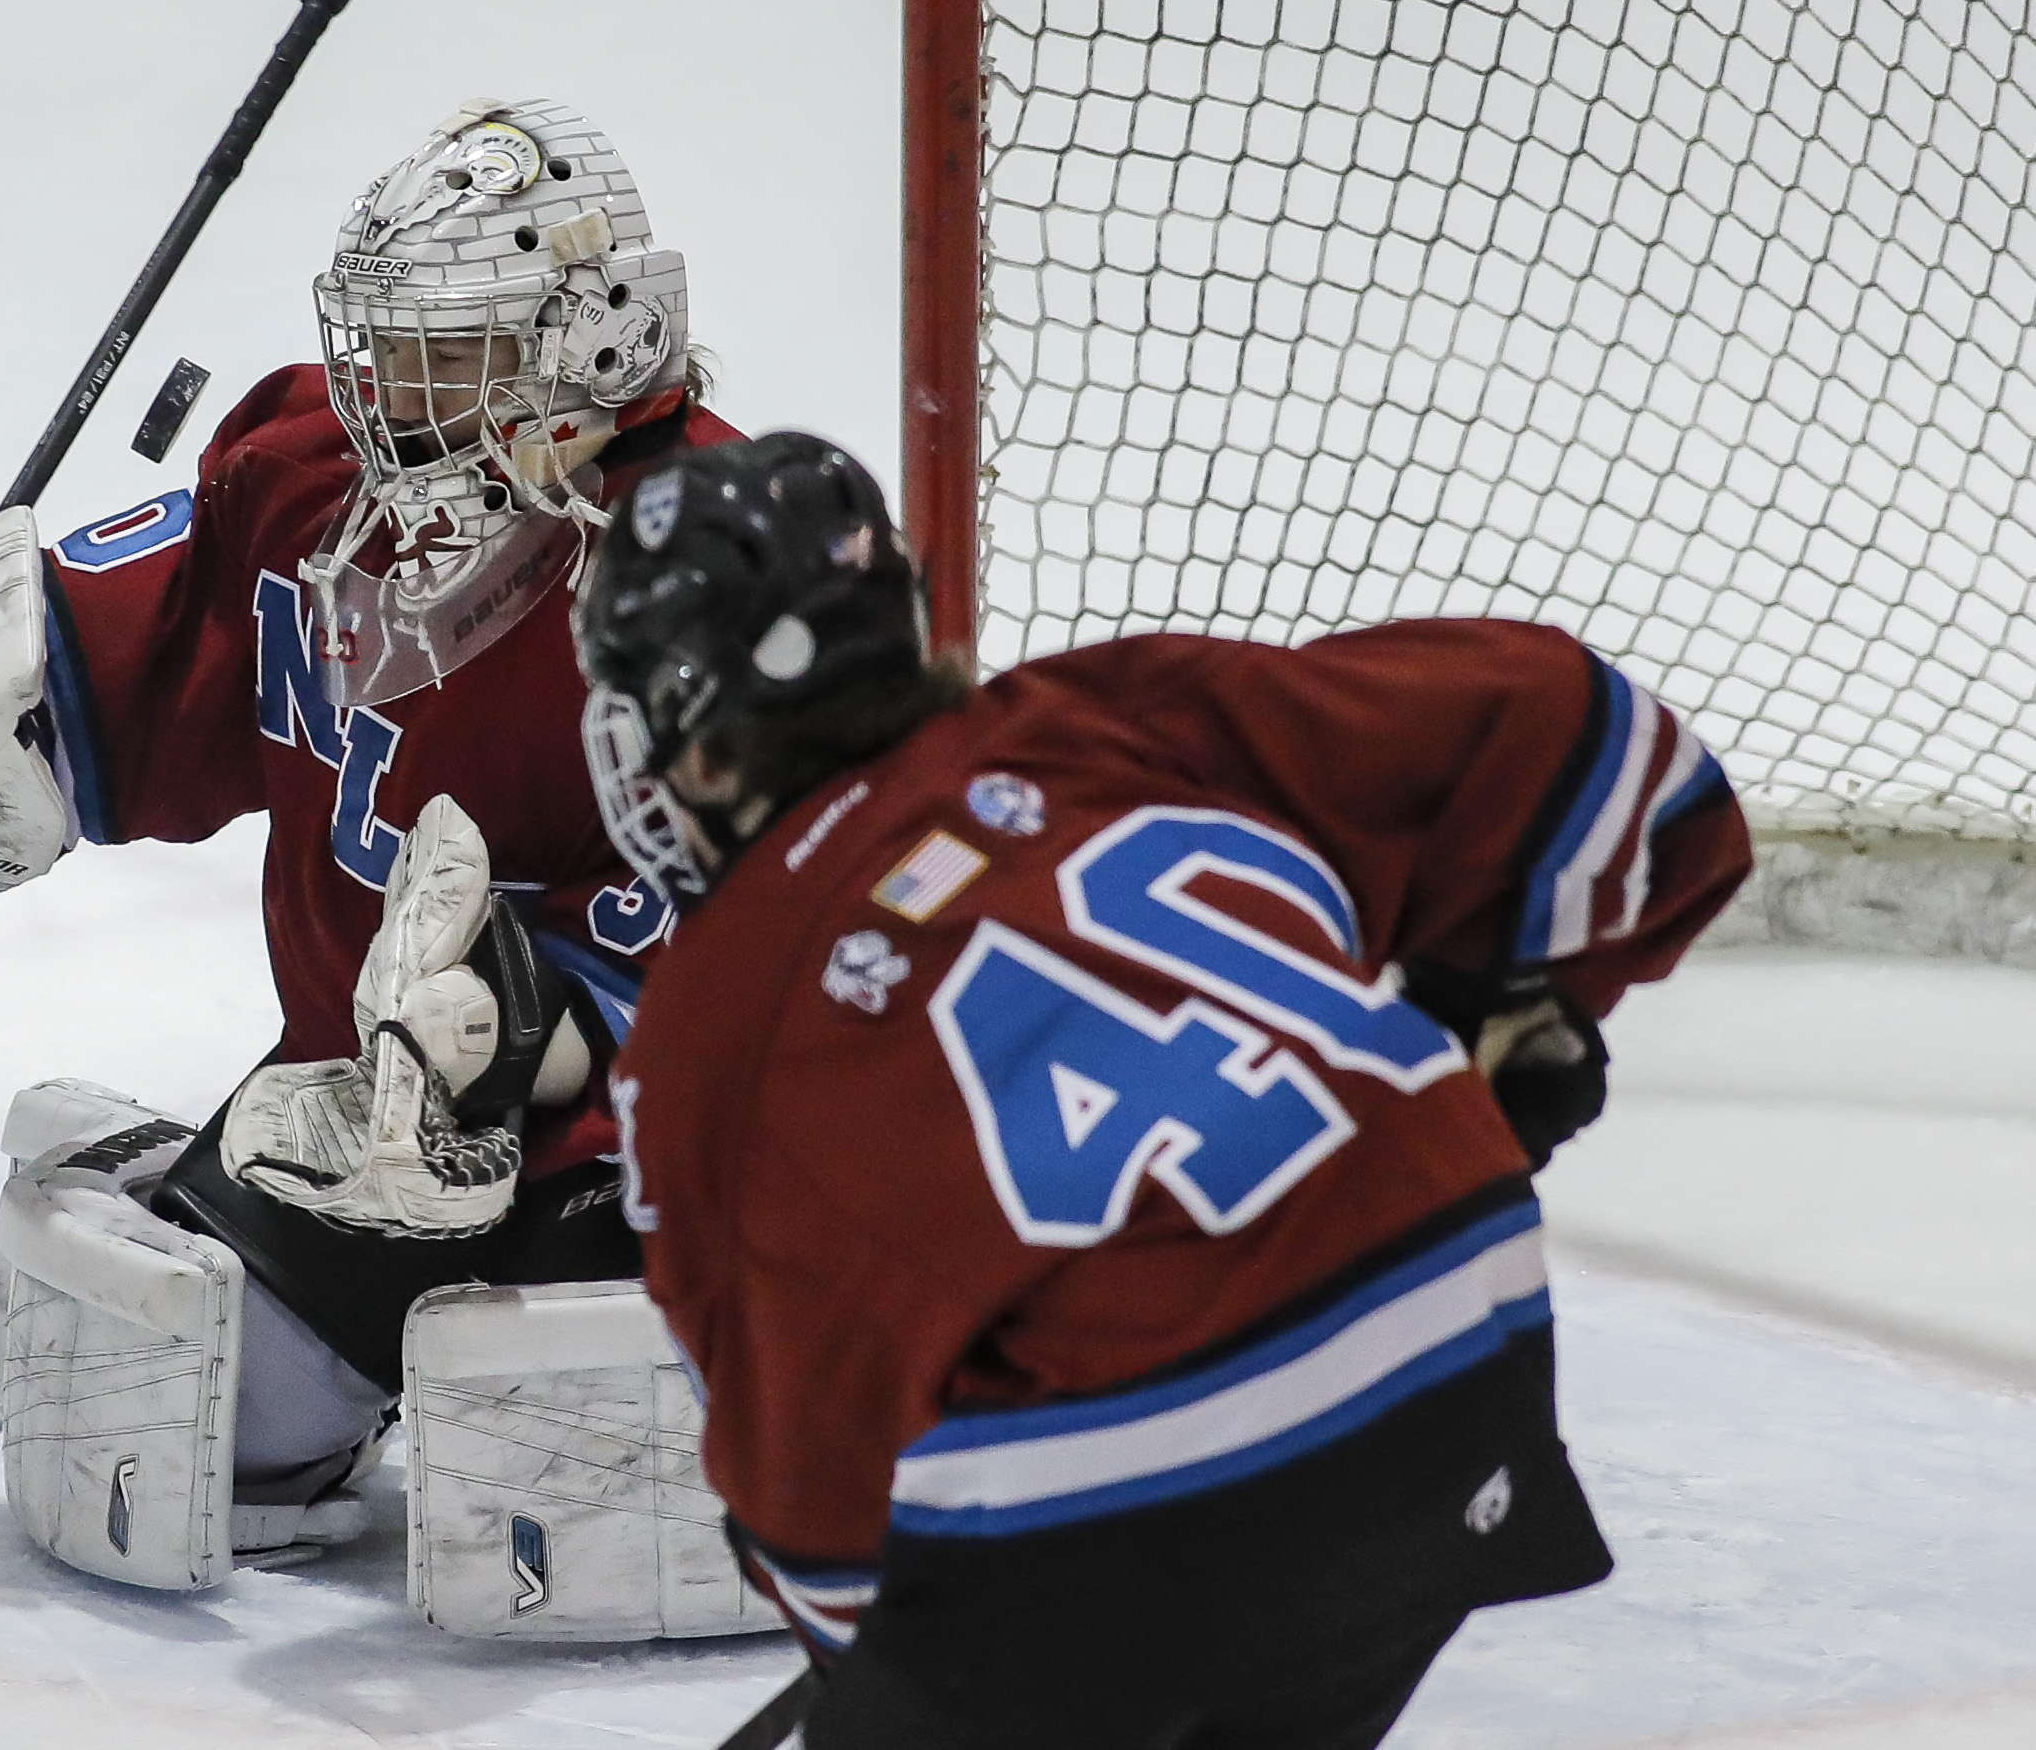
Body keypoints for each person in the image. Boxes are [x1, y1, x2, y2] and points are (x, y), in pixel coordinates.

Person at [0, 98, 740, 1595]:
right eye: (381, 343)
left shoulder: (715, 570)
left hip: (627, 1157)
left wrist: (525, 1038)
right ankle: (207, 1195)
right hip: (353, 1124)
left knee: (233, 1421)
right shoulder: (318, 484)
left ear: (591, 342)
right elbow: (145, 665)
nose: (390, 390)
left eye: (444, 349)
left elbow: (798, 937)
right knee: (144, 1399)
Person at [569, 433, 1754, 1746]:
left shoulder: (713, 1020)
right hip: (1464, 1353)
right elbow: (1607, 750)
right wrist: (1507, 1008)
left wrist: (890, 1683)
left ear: (706, 751)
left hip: (1137, 1493)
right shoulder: (1109, 716)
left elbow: (807, 1468)